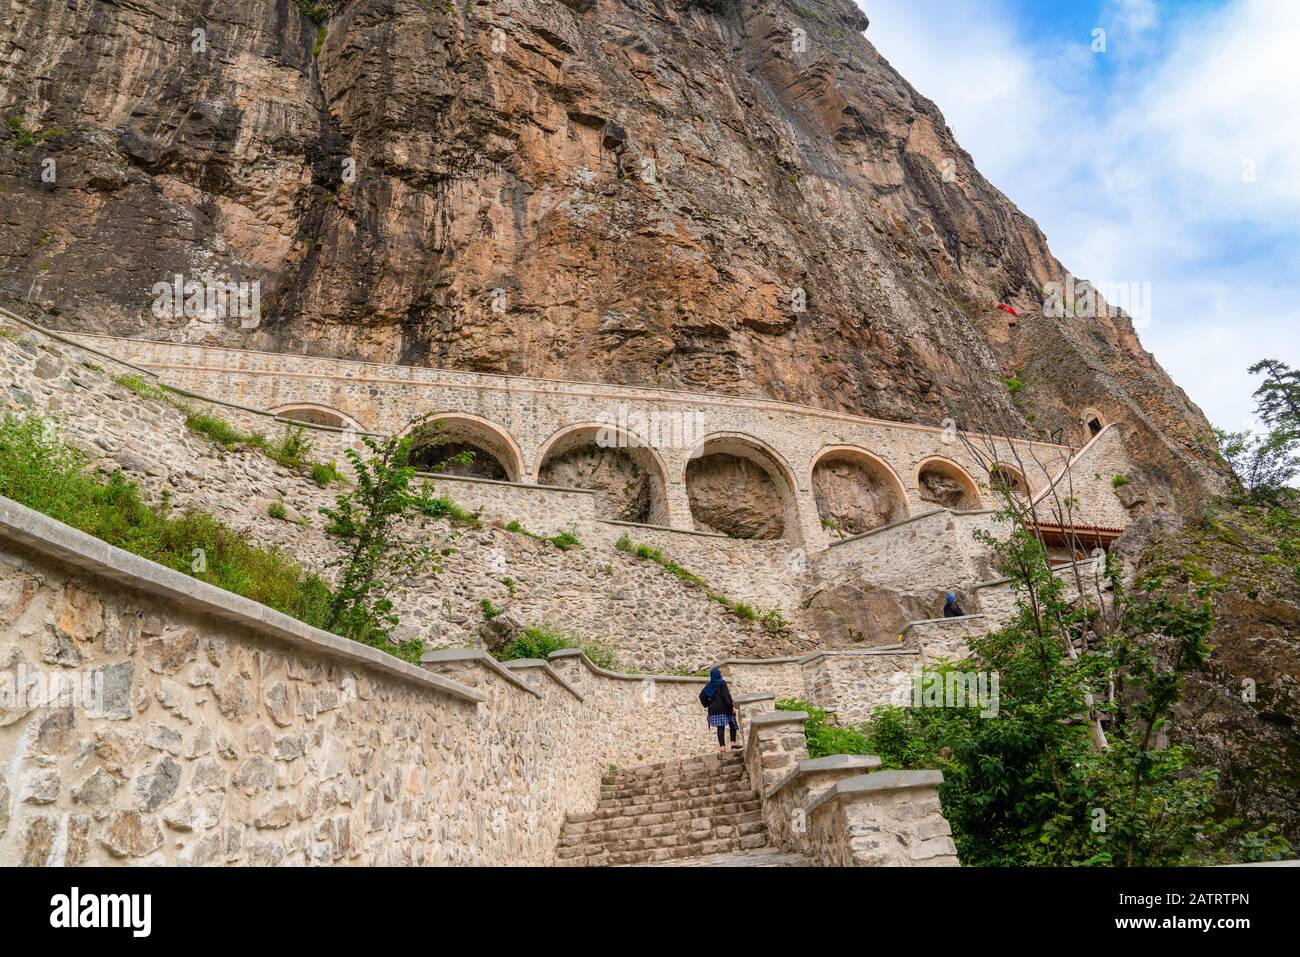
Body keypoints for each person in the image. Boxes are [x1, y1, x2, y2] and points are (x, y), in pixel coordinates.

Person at [701, 667, 740, 751]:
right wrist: (731, 706)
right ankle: (733, 743)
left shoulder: (709, 685)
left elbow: (701, 696)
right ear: (718, 674)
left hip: (714, 710)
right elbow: (726, 696)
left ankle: (722, 747)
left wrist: (708, 704)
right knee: (732, 724)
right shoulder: (722, 683)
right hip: (725, 708)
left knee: (720, 727)